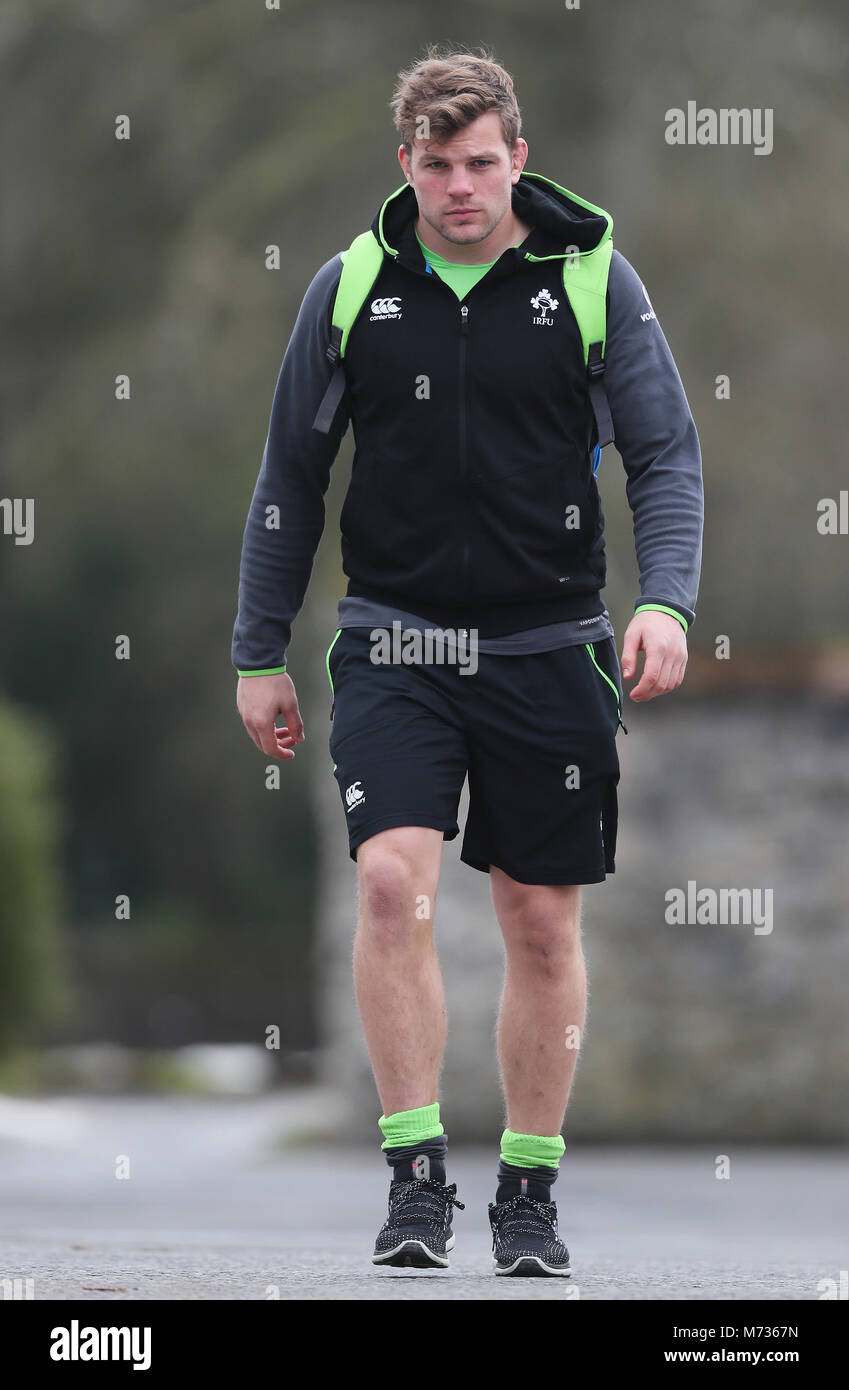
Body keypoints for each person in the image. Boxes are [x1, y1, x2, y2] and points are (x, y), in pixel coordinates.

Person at [232, 46, 703, 1277]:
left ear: (518, 160)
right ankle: (415, 1179)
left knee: (539, 920)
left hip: (550, 643)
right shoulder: (350, 287)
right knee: (394, 880)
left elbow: (664, 456)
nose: (459, 188)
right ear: (407, 165)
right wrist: (257, 650)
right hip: (395, 638)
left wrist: (666, 600)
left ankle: (530, 1195)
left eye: (480, 164)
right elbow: (290, 476)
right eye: (436, 166)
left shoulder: (593, 279)